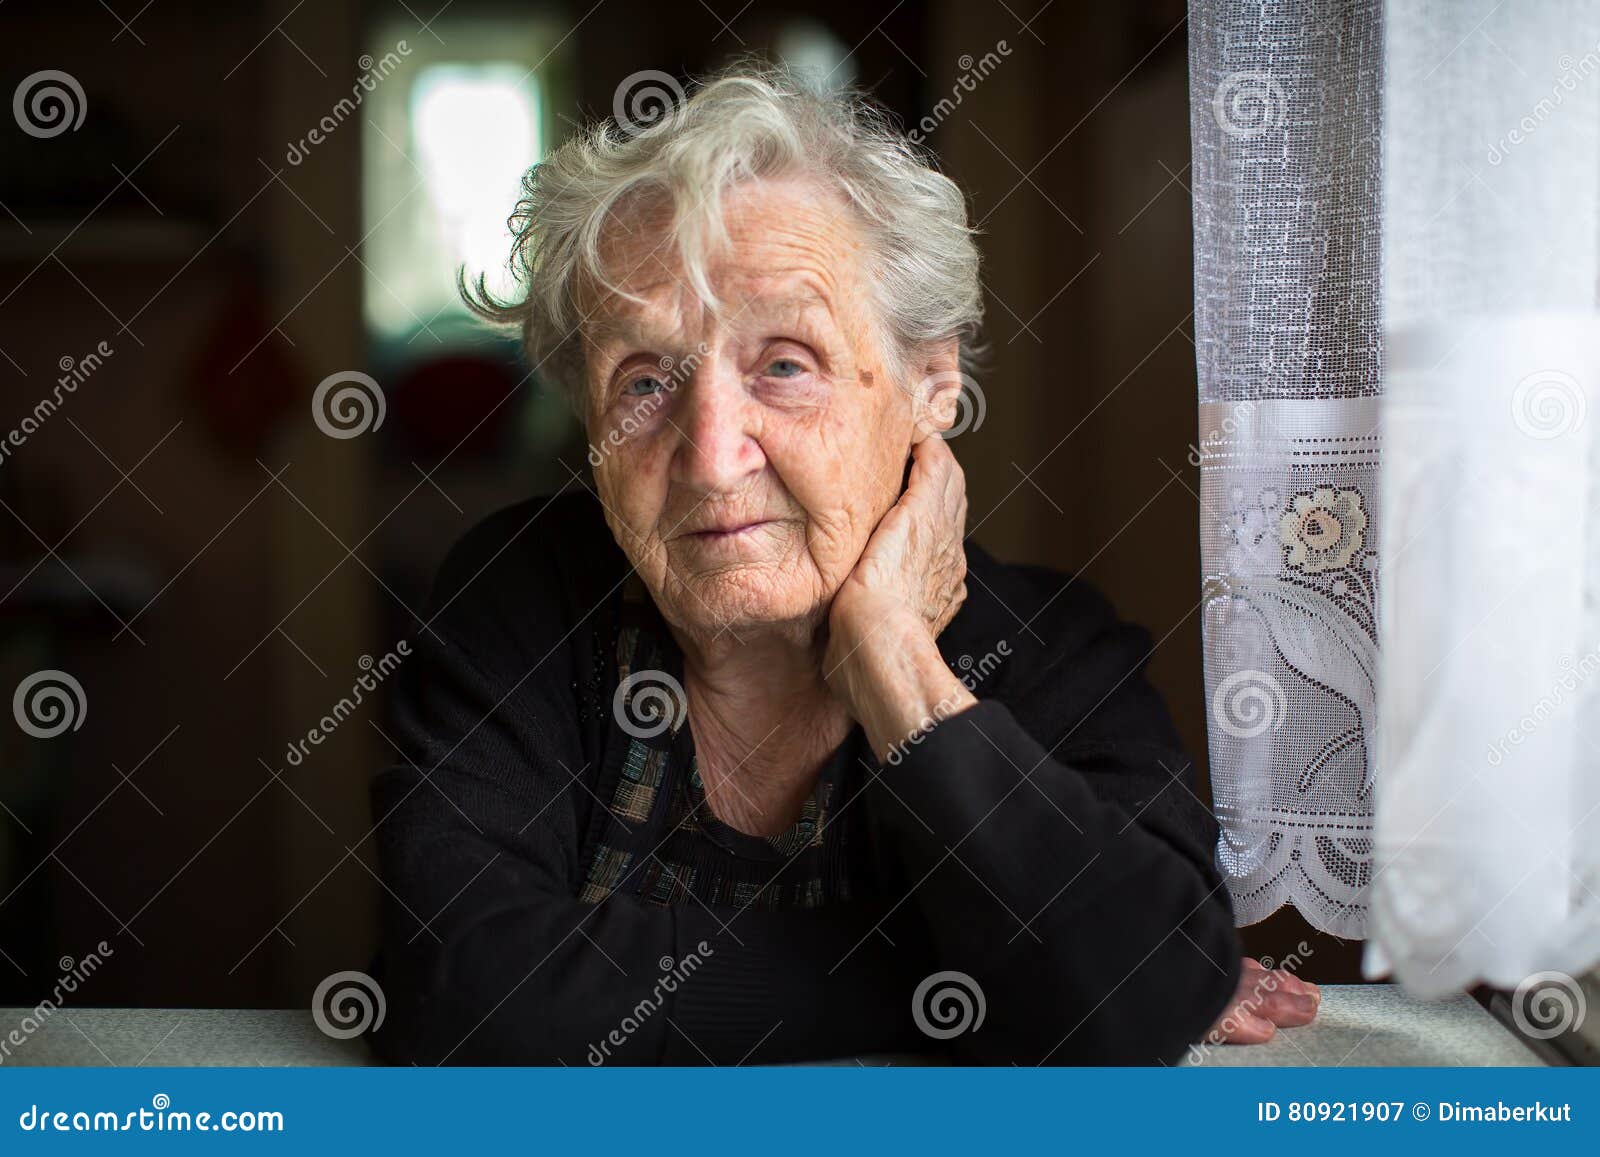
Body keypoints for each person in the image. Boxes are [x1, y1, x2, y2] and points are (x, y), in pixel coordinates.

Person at [368, 63, 1319, 1065]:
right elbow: (462, 993)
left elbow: (1143, 987)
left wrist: (892, 659)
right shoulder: (523, 595)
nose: (708, 454)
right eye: (644, 381)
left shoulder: (1050, 652)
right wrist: (982, 978)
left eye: (783, 363)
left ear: (930, 383)